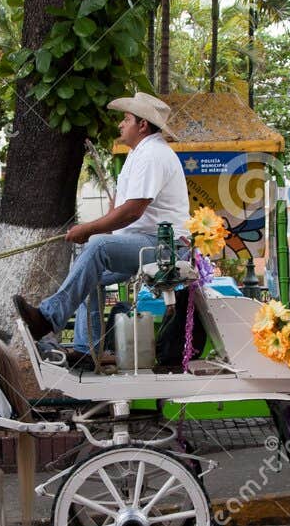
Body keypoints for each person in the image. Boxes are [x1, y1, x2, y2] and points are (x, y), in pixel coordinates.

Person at [13, 92, 189, 365]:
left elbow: (132, 211)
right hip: (143, 244)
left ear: (142, 125)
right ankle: (87, 350)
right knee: (89, 263)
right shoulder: (138, 154)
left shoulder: (153, 154)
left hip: (165, 248)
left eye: (126, 119)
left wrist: (90, 230)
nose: (120, 124)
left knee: (95, 246)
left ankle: (48, 317)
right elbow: (119, 208)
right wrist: (92, 231)